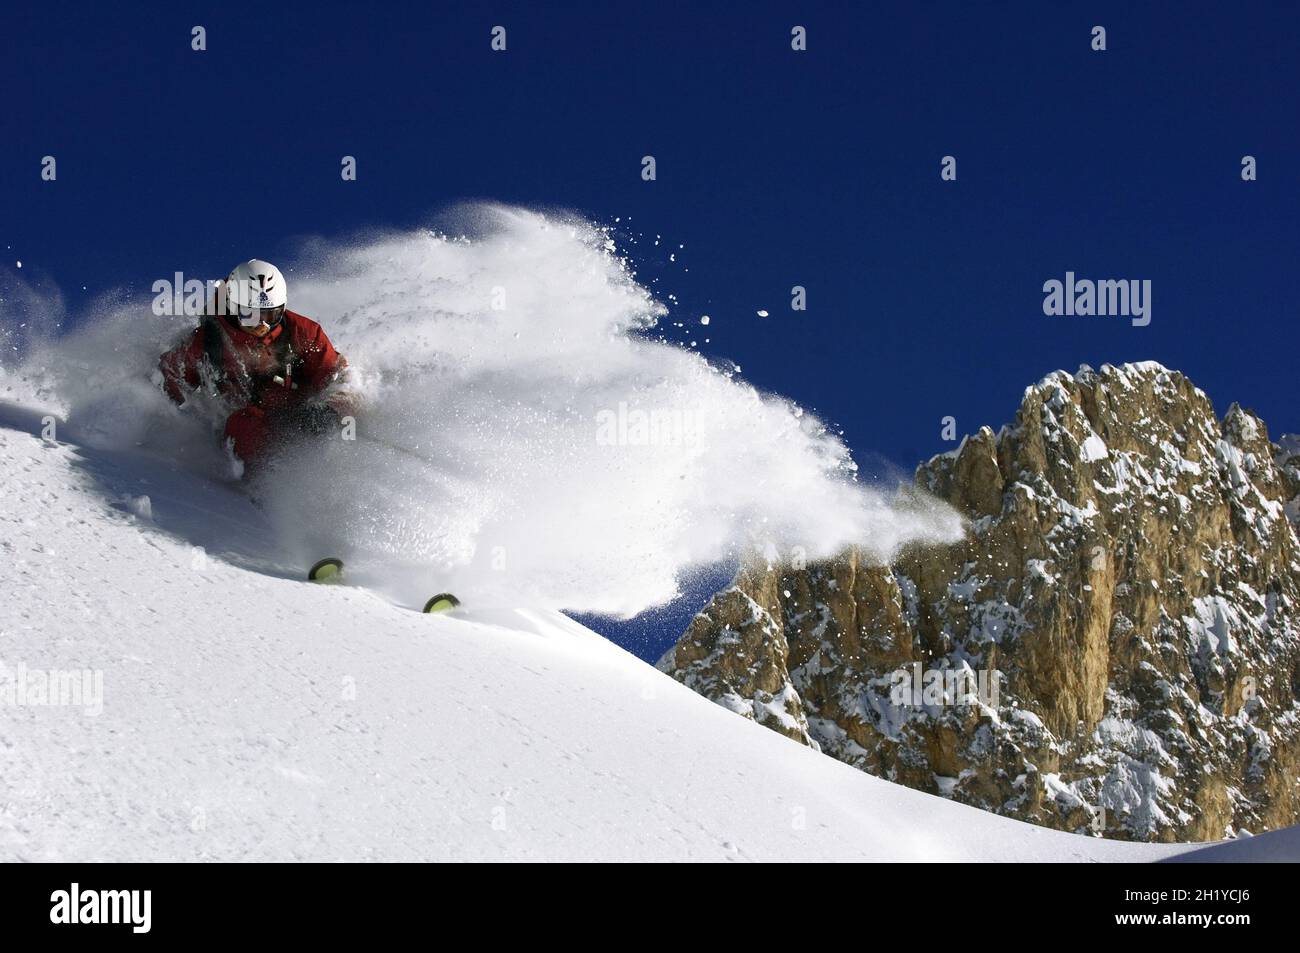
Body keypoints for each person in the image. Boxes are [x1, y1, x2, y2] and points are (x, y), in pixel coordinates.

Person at [159, 259, 353, 466]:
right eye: (250, 315)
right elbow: (164, 388)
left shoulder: (303, 333)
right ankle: (258, 483)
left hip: (299, 419)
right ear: (233, 307)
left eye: (271, 314)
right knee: (245, 423)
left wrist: (328, 411)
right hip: (240, 434)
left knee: (336, 430)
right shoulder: (207, 342)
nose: (262, 324)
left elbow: (342, 379)